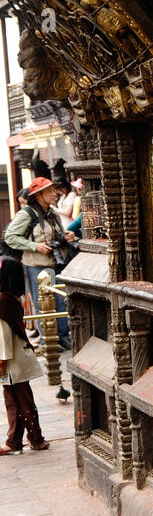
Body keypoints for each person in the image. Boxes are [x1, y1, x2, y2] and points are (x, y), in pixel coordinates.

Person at [3, 177, 74, 350]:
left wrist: (67, 236)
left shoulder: (52, 213)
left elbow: (58, 234)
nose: (54, 194)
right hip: (36, 265)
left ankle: (62, 337)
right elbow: (10, 237)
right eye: (50, 191)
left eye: (54, 190)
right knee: (43, 302)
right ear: (39, 194)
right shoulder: (27, 213)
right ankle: (46, 341)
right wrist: (35, 246)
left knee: (59, 300)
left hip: (55, 263)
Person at [0, 257, 47, 454]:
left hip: (9, 360)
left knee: (19, 400)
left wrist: (1, 361)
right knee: (17, 399)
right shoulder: (10, 298)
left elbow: (3, 335)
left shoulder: (2, 300)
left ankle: (33, 439)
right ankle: (16, 441)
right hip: (13, 358)